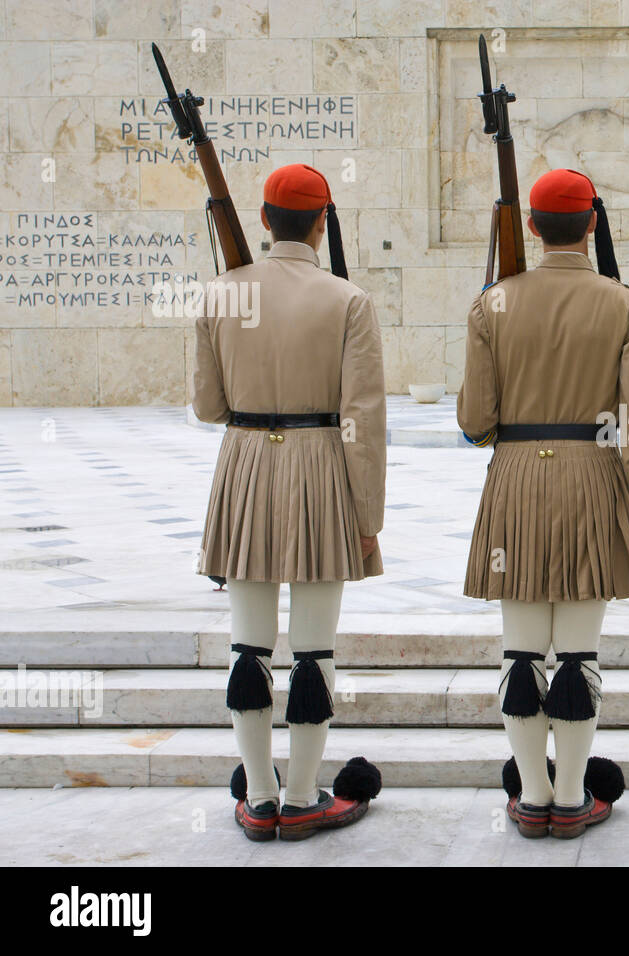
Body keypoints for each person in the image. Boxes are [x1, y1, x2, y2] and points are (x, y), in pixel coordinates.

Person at [458, 168, 629, 838]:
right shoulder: (626, 305)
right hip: (591, 477)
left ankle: (532, 794)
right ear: (593, 225)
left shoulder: (493, 304)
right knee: (577, 653)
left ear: (533, 228)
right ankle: (572, 798)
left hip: (515, 477)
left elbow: (474, 421)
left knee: (520, 651)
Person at [193, 163, 386, 841]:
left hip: (245, 466)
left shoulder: (220, 293)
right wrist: (367, 519)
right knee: (313, 650)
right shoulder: (347, 300)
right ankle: (304, 796)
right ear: (323, 221)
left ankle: (260, 794)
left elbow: (206, 407)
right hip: (319, 469)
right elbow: (361, 418)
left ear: (264, 217)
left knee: (248, 646)